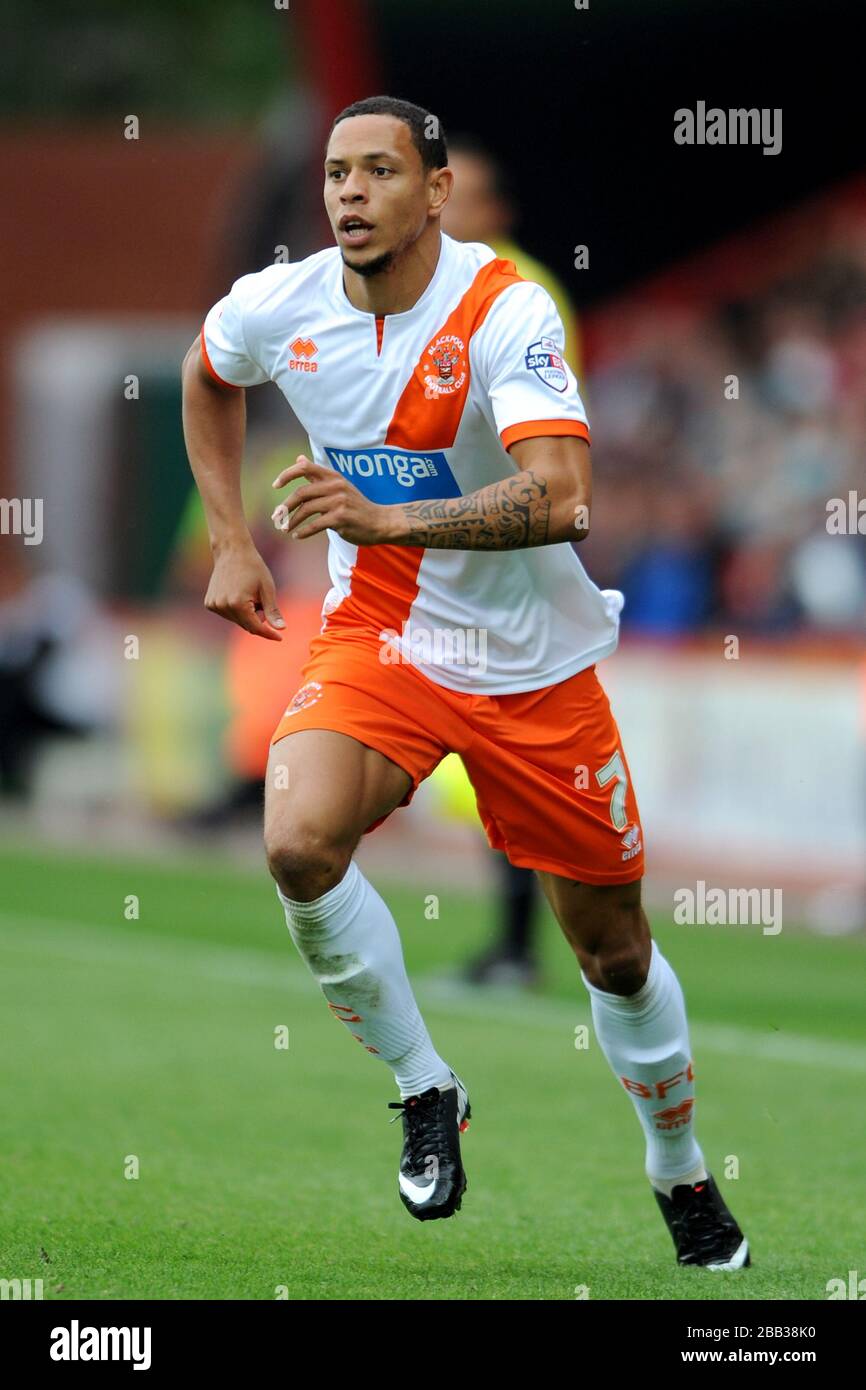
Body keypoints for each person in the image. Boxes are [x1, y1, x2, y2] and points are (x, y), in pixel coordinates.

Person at [181, 95, 750, 1269]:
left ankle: (677, 1169)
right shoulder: (276, 307)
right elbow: (205, 372)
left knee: (614, 954)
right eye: (337, 172)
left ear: (434, 193)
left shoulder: (506, 308)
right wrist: (234, 537)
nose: (348, 191)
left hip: (530, 664)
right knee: (295, 842)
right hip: (382, 639)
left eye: (379, 171)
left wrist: (385, 515)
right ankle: (423, 1085)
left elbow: (561, 495)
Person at [438, 135, 586, 988]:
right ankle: (515, 946)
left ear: (492, 209)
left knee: (518, 762)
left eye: (463, 196)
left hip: (514, 550)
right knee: (488, 770)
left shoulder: (523, 294)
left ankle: (527, 949)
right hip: (456, 555)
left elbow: (552, 448)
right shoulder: (435, 289)